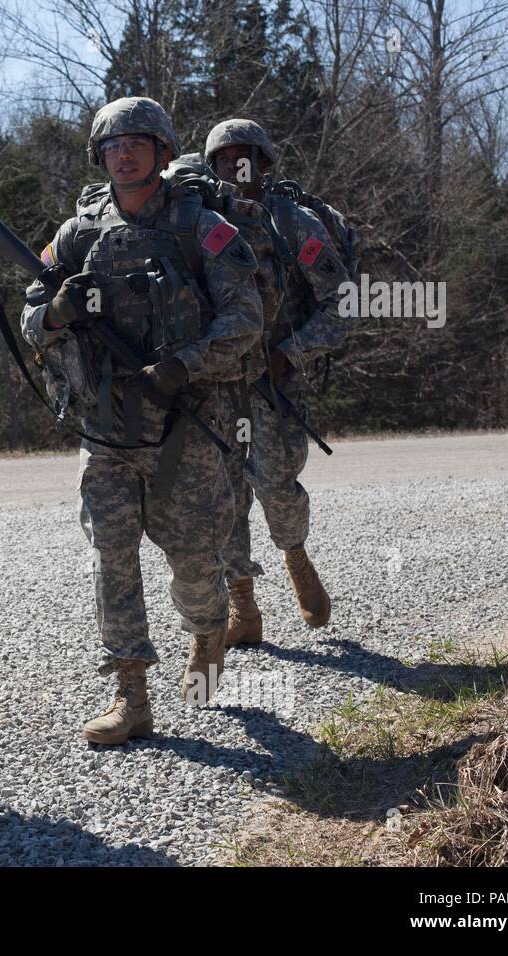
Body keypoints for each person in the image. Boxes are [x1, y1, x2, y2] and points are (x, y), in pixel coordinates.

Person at [20, 97, 262, 742]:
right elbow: (28, 316)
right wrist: (55, 314)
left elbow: (245, 319)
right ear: (99, 157)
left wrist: (185, 364)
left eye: (137, 143)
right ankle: (132, 693)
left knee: (192, 557)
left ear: (160, 151)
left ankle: (209, 633)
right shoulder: (75, 235)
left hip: (186, 418)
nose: (123, 153)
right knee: (112, 554)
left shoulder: (202, 227)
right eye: (112, 145)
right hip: (107, 424)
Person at [203, 119, 348, 647]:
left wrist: (291, 352)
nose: (234, 167)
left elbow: (341, 301)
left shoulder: (294, 224)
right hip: (216, 384)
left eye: (244, 157)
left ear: (263, 162)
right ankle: (243, 603)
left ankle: (294, 553)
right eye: (223, 159)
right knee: (223, 495)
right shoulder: (201, 221)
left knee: (275, 484)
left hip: (274, 380)